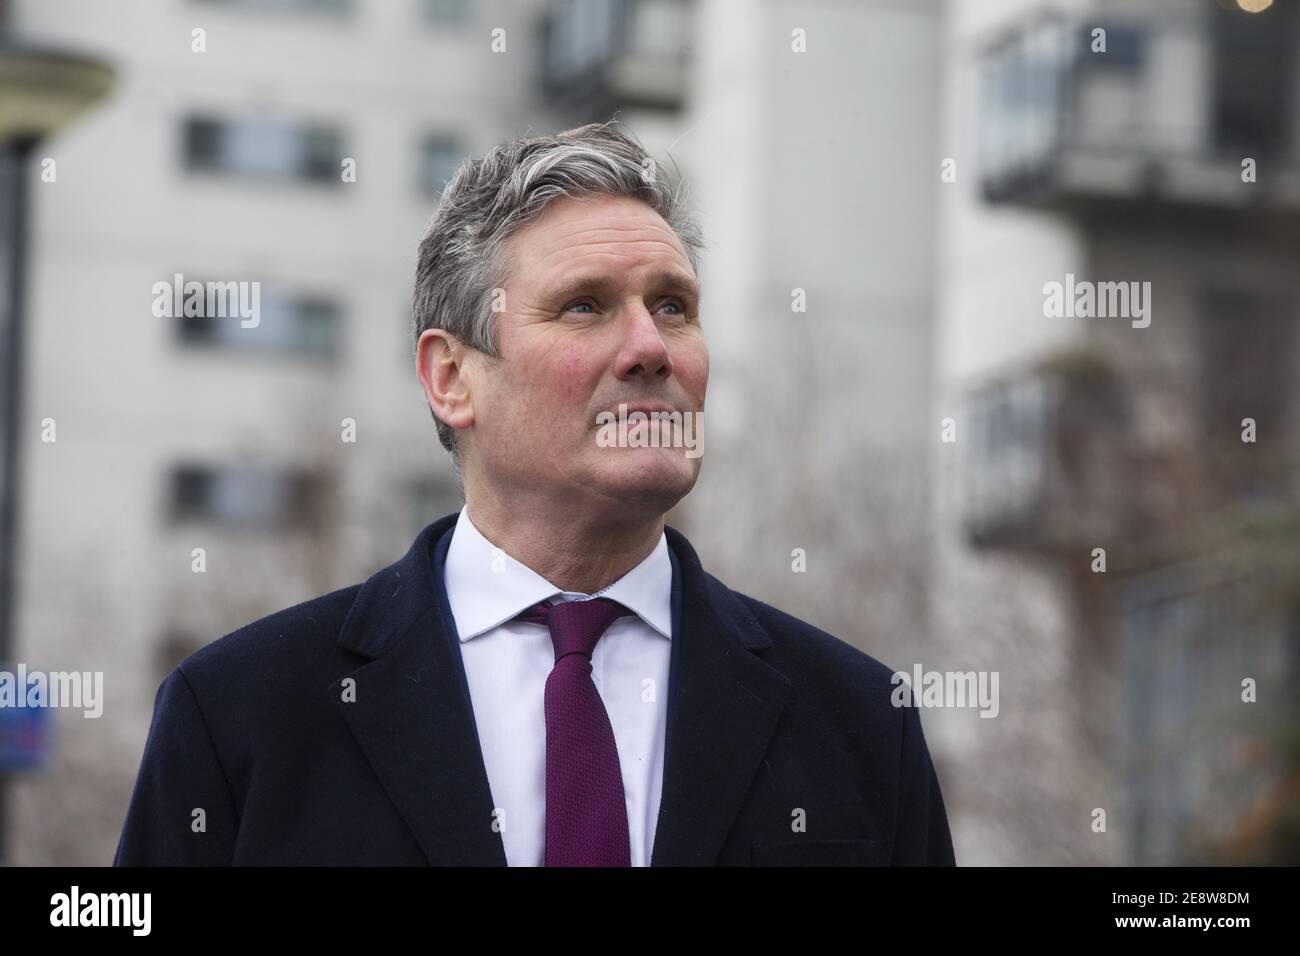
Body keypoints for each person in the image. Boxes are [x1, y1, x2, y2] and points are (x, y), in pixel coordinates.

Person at [113, 123, 955, 866]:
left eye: (673, 306)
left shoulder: (861, 723)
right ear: (452, 378)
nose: (649, 348)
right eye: (585, 307)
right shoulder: (241, 716)